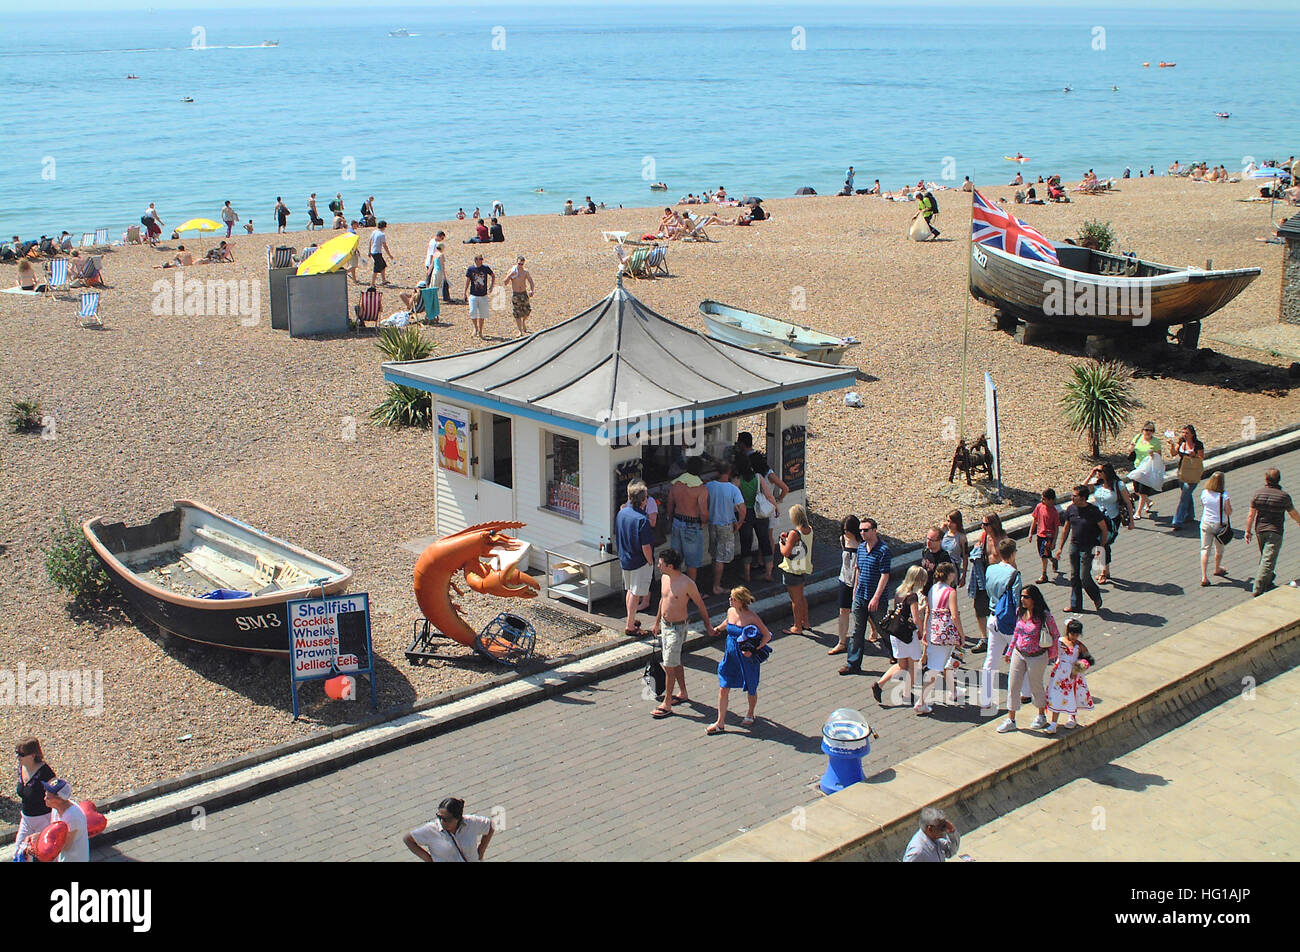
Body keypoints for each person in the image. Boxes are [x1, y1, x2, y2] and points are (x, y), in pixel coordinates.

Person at [650, 547, 711, 718]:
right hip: (665, 625)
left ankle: (667, 703)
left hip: (678, 628)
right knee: (674, 662)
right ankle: (683, 692)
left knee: (669, 665)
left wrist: (709, 626)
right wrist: (656, 623)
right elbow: (663, 601)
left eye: (661, 564)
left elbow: (700, 604)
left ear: (670, 566)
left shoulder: (687, 584)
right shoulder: (664, 578)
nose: (658, 566)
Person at [708, 587, 772, 734]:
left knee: (751, 686)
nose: (730, 600)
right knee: (723, 686)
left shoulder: (752, 617)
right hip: (730, 656)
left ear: (741, 601)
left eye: (733, 598)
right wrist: (718, 629)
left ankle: (750, 713)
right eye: (730, 597)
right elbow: (727, 623)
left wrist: (754, 649)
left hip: (746, 658)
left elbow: (767, 635)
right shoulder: (731, 611)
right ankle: (720, 722)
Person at [996, 585, 1060, 733]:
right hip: (1019, 654)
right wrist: (1010, 651)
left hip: (1037, 657)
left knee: (1036, 686)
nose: (1023, 600)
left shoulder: (1045, 616)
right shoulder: (1020, 612)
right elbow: (1017, 633)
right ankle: (1011, 719)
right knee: (1013, 686)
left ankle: (1041, 716)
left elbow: (1055, 635)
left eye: (1026, 597)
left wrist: (1051, 655)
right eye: (1022, 596)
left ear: (1034, 599)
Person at [870, 565, 927, 711]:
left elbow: (901, 610)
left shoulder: (900, 591)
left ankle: (880, 684)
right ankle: (907, 694)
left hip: (896, 634)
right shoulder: (912, 596)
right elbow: (914, 618)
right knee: (913, 665)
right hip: (907, 635)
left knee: (902, 665)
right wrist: (922, 631)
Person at [840, 517, 891, 675]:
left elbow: (885, 575)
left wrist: (876, 597)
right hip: (861, 597)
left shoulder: (883, 550)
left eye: (866, 530)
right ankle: (853, 663)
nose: (862, 532)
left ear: (874, 531)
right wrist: (855, 590)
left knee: (884, 628)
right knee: (857, 631)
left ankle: (898, 654)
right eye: (861, 530)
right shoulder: (861, 548)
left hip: (877, 599)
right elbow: (858, 570)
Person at [979, 537, 1021, 710]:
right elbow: (1018, 601)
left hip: (992, 616)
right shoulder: (1014, 574)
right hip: (1008, 620)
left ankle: (986, 699)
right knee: (1019, 658)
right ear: (1012, 554)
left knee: (991, 659)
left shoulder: (990, 569)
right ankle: (1023, 693)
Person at [1245, 468, 1300, 597]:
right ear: (1278, 479)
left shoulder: (1257, 494)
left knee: (1266, 557)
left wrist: (1247, 531)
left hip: (1260, 530)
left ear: (1266, 479)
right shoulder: (1283, 496)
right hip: (1275, 531)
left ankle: (1268, 580)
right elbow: (1293, 513)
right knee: (1268, 560)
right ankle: (1258, 588)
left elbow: (1251, 515)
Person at [1055, 485, 1109, 614]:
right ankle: (1075, 605)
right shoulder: (1071, 509)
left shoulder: (1093, 511)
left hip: (1089, 547)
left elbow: (1104, 529)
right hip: (1074, 546)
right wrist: (1060, 547)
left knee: (1084, 576)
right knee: (1074, 576)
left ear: (1083, 498)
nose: (1072, 497)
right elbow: (1066, 529)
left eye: (1075, 496)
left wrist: (1100, 547)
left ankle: (1096, 596)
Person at [920, 562, 965, 708]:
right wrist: (961, 634)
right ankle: (921, 702)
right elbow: (954, 616)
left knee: (946, 663)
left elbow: (928, 610)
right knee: (935, 667)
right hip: (946, 634)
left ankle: (954, 691)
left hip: (934, 631)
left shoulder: (933, 589)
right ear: (950, 574)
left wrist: (926, 630)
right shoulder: (951, 592)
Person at [616, 479, 655, 636]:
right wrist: (651, 561)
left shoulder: (622, 512)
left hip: (625, 558)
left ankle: (630, 620)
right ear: (643, 500)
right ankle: (630, 626)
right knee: (635, 593)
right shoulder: (642, 520)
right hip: (639, 561)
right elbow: (645, 546)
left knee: (630, 590)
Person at [403, 797, 494, 862]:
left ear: (458, 818)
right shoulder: (431, 830)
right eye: (439, 817)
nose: (442, 822)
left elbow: (490, 826)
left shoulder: (471, 823)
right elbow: (408, 839)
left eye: (447, 819)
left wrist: (481, 851)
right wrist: (428, 859)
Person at [665, 455, 709, 580]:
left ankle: (675, 588)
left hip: (677, 522)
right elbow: (704, 512)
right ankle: (690, 591)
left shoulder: (676, 484)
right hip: (692, 525)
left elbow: (670, 504)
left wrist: (670, 520)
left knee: (675, 560)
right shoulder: (701, 489)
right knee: (692, 562)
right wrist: (703, 522)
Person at [967, 512, 1006, 652]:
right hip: (984, 577)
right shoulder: (984, 536)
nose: (983, 526)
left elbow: (1009, 560)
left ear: (994, 525)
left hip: (999, 578)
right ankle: (984, 638)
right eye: (982, 524)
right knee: (979, 607)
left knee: (1000, 609)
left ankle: (1003, 637)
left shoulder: (1003, 539)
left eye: (986, 524)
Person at [1086, 464, 1131, 584]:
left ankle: (1103, 572)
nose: (1097, 473)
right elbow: (1081, 488)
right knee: (1099, 544)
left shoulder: (1118, 485)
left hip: (1111, 519)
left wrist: (1131, 521)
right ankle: (1105, 571)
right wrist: (1091, 474)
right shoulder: (1097, 483)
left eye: (1099, 471)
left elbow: (1128, 503)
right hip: (1098, 518)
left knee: (1103, 543)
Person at [23, 779, 88, 862]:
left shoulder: (72, 817)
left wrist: (38, 844)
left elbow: (66, 845)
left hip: (74, 858)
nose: (44, 798)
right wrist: (39, 837)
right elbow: (55, 834)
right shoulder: (56, 809)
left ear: (58, 800)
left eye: (48, 797)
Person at [1046, 618, 1094, 729]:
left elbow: (1088, 660)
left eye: (1077, 634)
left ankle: (1072, 717)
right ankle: (1053, 723)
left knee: (1072, 694)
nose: (1074, 636)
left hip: (1073, 675)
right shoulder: (1059, 641)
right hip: (1059, 674)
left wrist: (1077, 669)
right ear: (1068, 631)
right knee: (1056, 696)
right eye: (1072, 633)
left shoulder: (1079, 646)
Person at [706, 463, 745, 596]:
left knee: (714, 554)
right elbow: (742, 509)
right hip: (726, 525)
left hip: (712, 524)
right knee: (721, 558)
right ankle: (716, 586)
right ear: (729, 472)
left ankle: (714, 580)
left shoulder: (709, 486)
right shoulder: (733, 489)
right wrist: (739, 523)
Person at [13, 737, 56, 857]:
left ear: (32, 755)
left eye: (21, 754)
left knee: (45, 854)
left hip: (43, 819)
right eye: (17, 753)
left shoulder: (45, 773)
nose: (18, 757)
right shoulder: (21, 768)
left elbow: (58, 794)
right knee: (19, 852)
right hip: (26, 819)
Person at [777, 504, 814, 635]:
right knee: (801, 597)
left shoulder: (794, 533)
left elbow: (786, 552)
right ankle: (806, 622)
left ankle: (797, 626)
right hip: (803, 568)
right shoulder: (809, 529)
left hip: (792, 570)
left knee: (795, 600)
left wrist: (782, 542)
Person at [829, 515, 863, 656]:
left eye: (847, 530)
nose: (845, 532)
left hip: (859, 580)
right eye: (844, 529)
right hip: (845, 579)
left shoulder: (862, 543)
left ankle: (874, 630)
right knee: (843, 610)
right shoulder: (843, 539)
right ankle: (842, 642)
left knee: (863, 611)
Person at [1168, 424, 1205, 531]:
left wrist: (1194, 455)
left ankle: (1177, 521)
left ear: (1192, 434)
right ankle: (1190, 515)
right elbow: (1173, 453)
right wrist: (1171, 445)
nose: (1184, 435)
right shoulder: (1181, 443)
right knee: (1186, 494)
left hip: (1193, 473)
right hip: (1182, 472)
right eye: (1183, 432)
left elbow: (1201, 458)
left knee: (1184, 496)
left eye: (1187, 433)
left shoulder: (1198, 445)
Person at [1199, 471, 1232, 586]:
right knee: (1219, 549)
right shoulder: (1224, 495)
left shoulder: (1204, 493)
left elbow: (1203, 505)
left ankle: (1204, 576)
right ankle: (1217, 568)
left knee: (1205, 549)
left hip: (1206, 523)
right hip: (1219, 525)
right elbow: (1229, 511)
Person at [1128, 421, 1164, 520]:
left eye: (1151, 430)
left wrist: (1153, 455)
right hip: (1138, 466)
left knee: (1143, 491)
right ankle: (1148, 502)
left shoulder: (1155, 442)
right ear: (1142, 430)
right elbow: (1131, 447)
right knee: (1136, 490)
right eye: (1146, 430)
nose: (1148, 432)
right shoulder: (1138, 437)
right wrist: (1131, 448)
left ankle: (1138, 512)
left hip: (1147, 469)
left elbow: (1159, 456)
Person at [1030, 489, 1061, 583]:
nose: (1042, 501)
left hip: (1048, 536)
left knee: (1043, 555)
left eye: (1044, 499)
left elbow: (1056, 528)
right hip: (1040, 534)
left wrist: (1054, 541)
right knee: (1043, 554)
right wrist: (1031, 533)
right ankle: (1053, 560)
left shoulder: (1054, 512)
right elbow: (1035, 520)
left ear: (1051, 500)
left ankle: (1044, 574)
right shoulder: (1039, 507)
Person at [464, 254, 495, 339]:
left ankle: (481, 331)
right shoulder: (470, 269)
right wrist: (465, 292)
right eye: (479, 259)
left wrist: (491, 286)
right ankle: (475, 328)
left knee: (482, 314)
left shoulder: (485, 268)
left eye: (481, 259)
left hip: (483, 295)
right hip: (473, 294)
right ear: (475, 260)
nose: (481, 260)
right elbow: (468, 280)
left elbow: (493, 275)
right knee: (472, 312)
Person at [502, 255, 533, 336]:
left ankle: (523, 322)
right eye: (519, 264)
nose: (520, 266)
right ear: (516, 262)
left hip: (523, 293)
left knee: (527, 311)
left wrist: (532, 290)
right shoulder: (513, 271)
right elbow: (505, 282)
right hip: (516, 294)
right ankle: (520, 330)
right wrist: (510, 275)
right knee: (517, 313)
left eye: (522, 264)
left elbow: (531, 281)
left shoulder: (525, 272)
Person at [918, 525, 953, 594]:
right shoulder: (925, 551)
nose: (928, 542)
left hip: (936, 593)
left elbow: (948, 578)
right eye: (927, 539)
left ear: (940, 541)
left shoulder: (943, 557)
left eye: (932, 540)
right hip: (924, 591)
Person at [941, 509, 969, 587]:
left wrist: (963, 576)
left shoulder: (961, 537)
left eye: (952, 522)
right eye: (948, 521)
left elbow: (965, 557)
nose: (949, 524)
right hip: (940, 568)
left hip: (952, 570)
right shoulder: (944, 532)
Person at [368, 221, 394, 286]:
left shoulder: (374, 232)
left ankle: (383, 280)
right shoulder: (382, 235)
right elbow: (385, 246)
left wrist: (369, 251)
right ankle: (372, 283)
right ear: (384, 227)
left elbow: (370, 241)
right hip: (377, 253)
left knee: (383, 265)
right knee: (376, 268)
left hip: (374, 252)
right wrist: (390, 255)